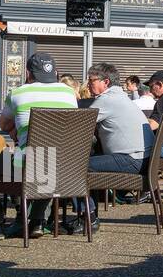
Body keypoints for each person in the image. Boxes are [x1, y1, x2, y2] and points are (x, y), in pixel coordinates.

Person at [56, 62, 154, 235]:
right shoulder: (120, 97)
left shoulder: (107, 99)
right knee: (87, 162)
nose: (88, 84)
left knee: (74, 166)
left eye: (91, 80)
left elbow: (79, 125)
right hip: (143, 159)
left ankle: (88, 219)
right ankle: (88, 215)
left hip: (131, 160)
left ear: (106, 82)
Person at [0, 52, 77, 147]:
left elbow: (5, 126)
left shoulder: (17, 93)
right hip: (68, 158)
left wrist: (19, 127)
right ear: (54, 73)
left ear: (28, 73)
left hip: (29, 158)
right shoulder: (69, 92)